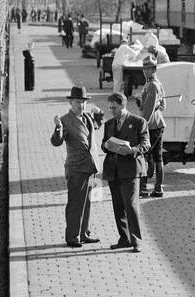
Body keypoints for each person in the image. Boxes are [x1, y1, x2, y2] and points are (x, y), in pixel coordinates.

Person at [49, 86, 105, 247]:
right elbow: (56, 142)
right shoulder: (65, 120)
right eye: (77, 102)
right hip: (77, 168)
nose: (81, 106)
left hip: (91, 167)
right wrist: (58, 127)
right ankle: (72, 237)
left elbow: (95, 127)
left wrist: (99, 115)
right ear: (71, 103)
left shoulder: (87, 117)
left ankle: (84, 233)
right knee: (75, 204)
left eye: (83, 102)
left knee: (87, 203)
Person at [102, 90, 151, 251]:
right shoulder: (109, 124)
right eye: (110, 108)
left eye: (114, 108)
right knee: (118, 205)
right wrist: (106, 146)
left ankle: (136, 241)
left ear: (123, 106)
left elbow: (146, 144)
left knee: (130, 204)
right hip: (113, 170)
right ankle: (124, 238)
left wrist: (133, 150)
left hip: (130, 169)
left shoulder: (138, 122)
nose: (112, 111)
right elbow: (104, 143)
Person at [136, 56, 166, 198]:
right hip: (157, 124)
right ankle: (157, 188)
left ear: (154, 69)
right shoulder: (155, 83)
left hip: (151, 126)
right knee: (156, 157)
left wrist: (142, 125)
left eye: (148, 68)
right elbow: (163, 105)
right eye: (144, 68)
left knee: (145, 156)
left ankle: (144, 188)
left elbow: (147, 110)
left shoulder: (152, 85)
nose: (145, 71)